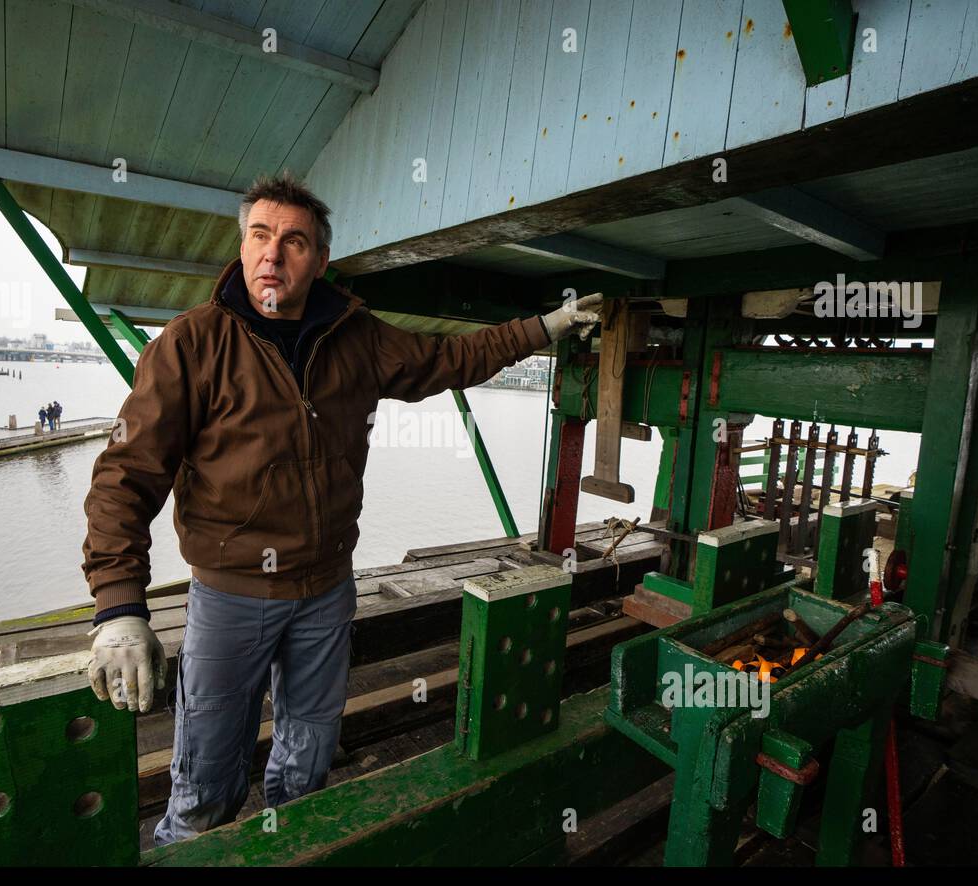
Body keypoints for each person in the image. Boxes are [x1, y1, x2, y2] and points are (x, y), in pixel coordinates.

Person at [80, 171, 603, 846]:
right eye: (260, 236)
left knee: (308, 763)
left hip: (325, 591)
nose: (273, 253)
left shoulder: (358, 338)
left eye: (293, 241)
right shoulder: (191, 344)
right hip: (230, 595)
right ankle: (191, 848)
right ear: (241, 248)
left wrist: (544, 327)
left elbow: (450, 357)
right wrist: (119, 608)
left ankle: (295, 848)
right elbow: (126, 475)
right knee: (206, 773)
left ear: (319, 260)